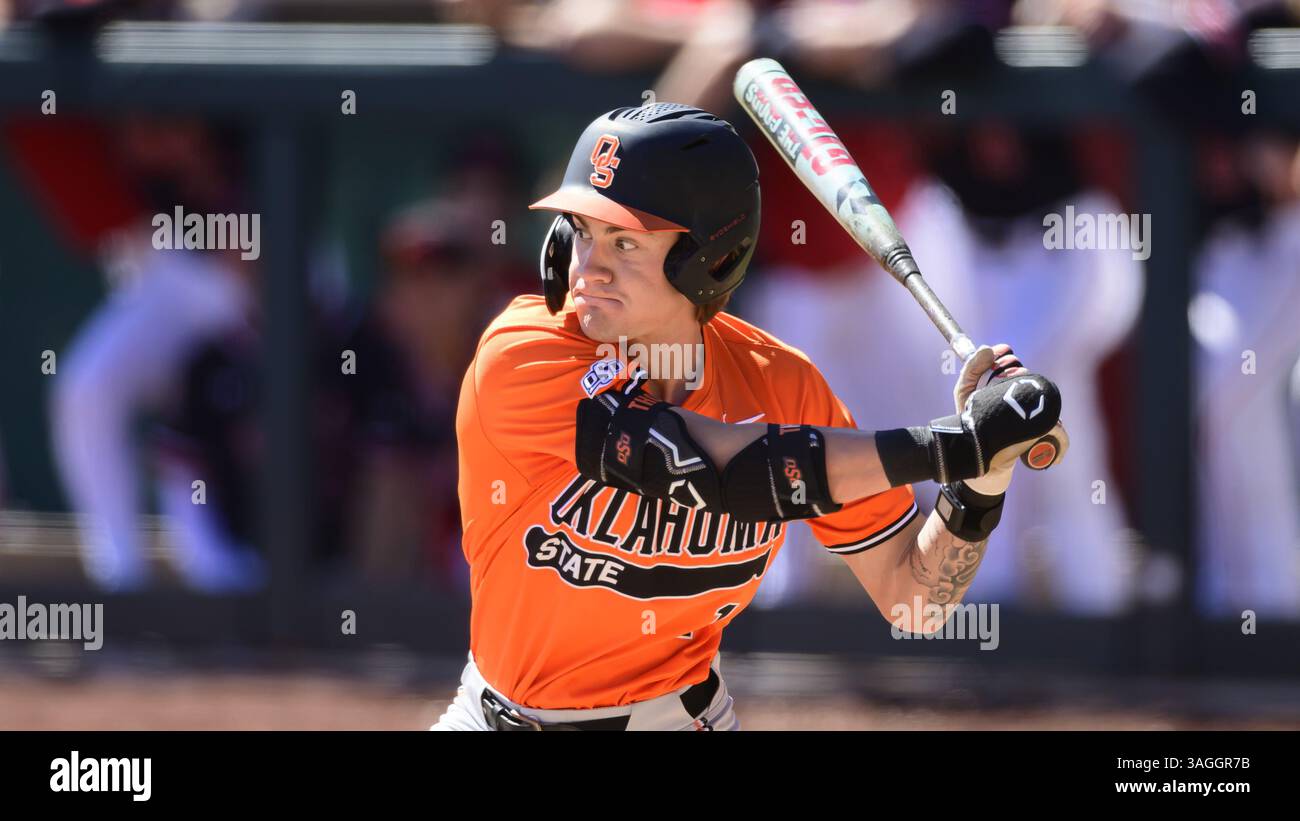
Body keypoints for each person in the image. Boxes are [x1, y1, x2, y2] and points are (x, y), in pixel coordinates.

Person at [432, 103, 1064, 731]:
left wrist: (983, 475)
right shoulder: (525, 352)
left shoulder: (779, 383)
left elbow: (916, 603)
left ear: (709, 258)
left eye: (624, 242)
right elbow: (711, 467)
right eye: (580, 231)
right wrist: (951, 445)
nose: (588, 268)